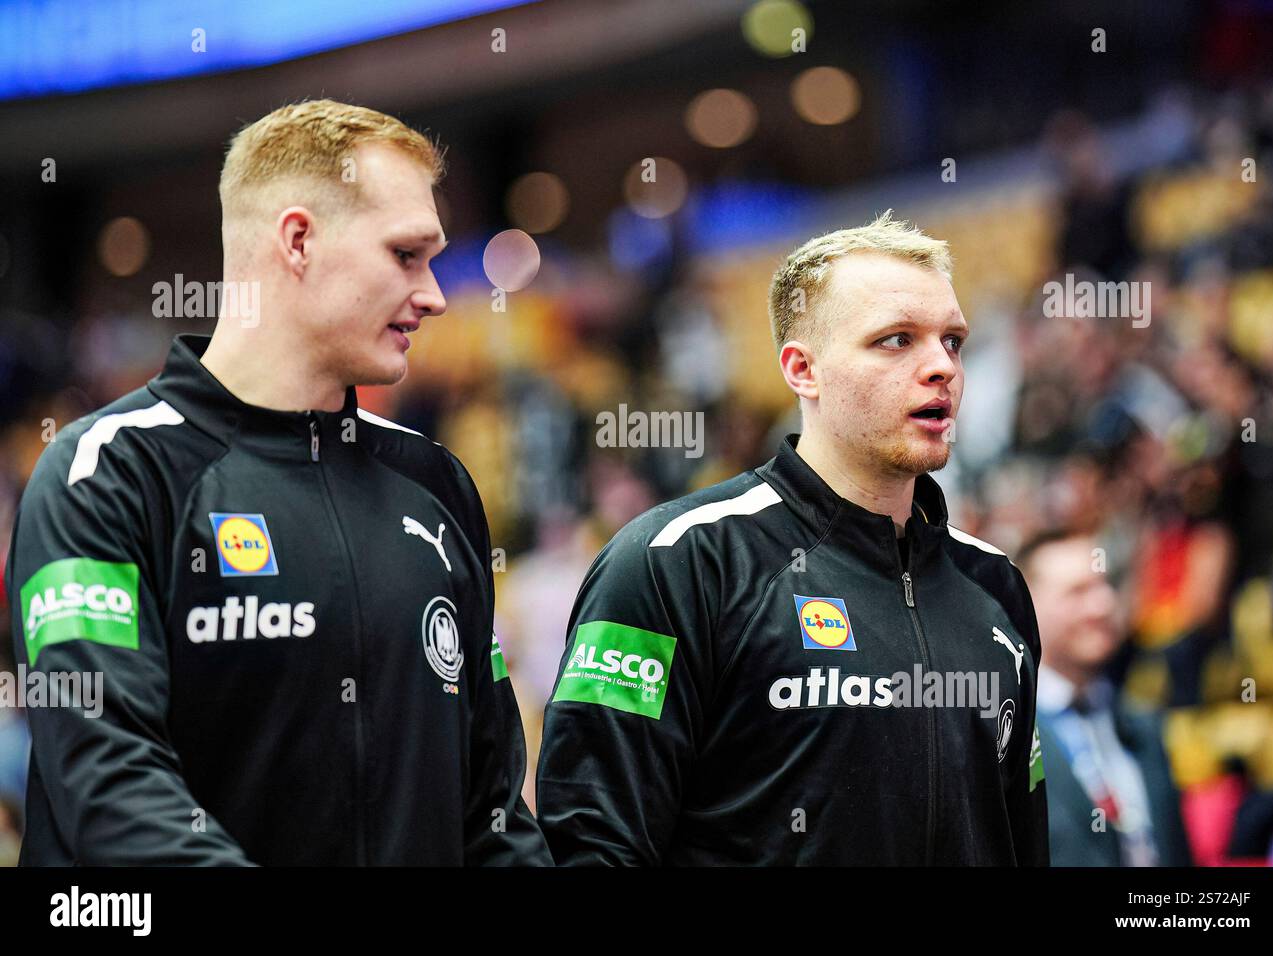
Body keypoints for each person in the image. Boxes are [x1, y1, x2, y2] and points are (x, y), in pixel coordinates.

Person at [6, 100, 550, 865]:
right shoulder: (108, 471)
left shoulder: (435, 484)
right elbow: (106, 787)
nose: (433, 293)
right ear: (298, 240)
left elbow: (490, 809)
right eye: (405, 255)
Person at [536, 212, 1050, 864]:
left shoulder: (995, 584)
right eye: (896, 341)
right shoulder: (677, 561)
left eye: (953, 341)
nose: (940, 367)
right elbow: (592, 846)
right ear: (802, 370)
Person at [1018, 529, 1190, 866]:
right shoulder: (1007, 740)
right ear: (1025, 606)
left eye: (1105, 585)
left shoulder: (1144, 726)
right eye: (1077, 592)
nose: (1103, 605)